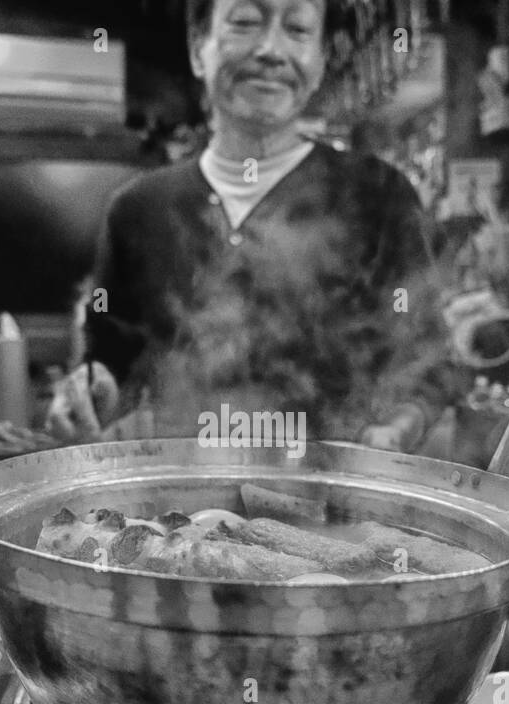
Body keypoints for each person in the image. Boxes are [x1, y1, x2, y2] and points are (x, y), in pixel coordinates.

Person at [57, 0, 460, 452]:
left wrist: (398, 426)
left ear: (322, 59)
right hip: (181, 505)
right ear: (197, 48)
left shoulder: (379, 195)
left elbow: (428, 360)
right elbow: (110, 361)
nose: (271, 49)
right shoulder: (136, 210)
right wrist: (94, 397)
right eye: (245, 23)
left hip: (331, 505)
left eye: (298, 29)